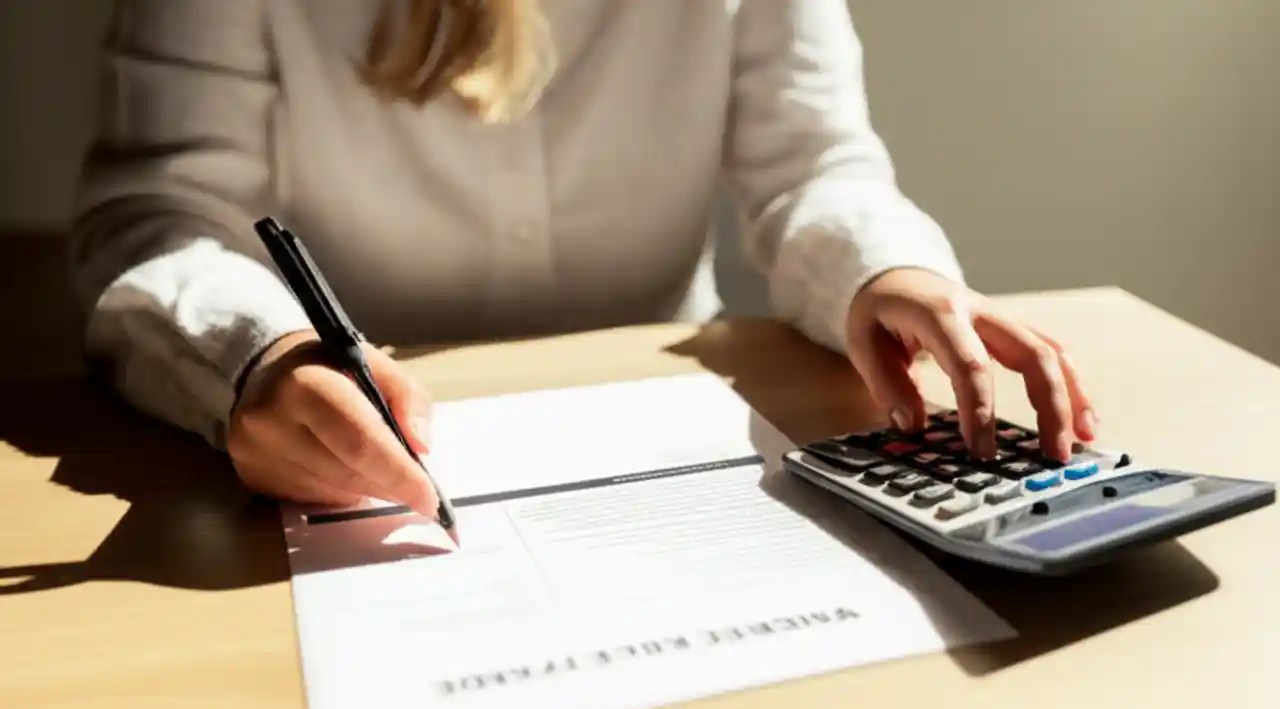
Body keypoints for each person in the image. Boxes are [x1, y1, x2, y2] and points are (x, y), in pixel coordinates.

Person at [71, 0, 1097, 520]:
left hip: (669, 450)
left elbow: (814, 168)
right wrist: (260, 357)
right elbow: (155, 213)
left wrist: (886, 271)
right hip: (346, 453)